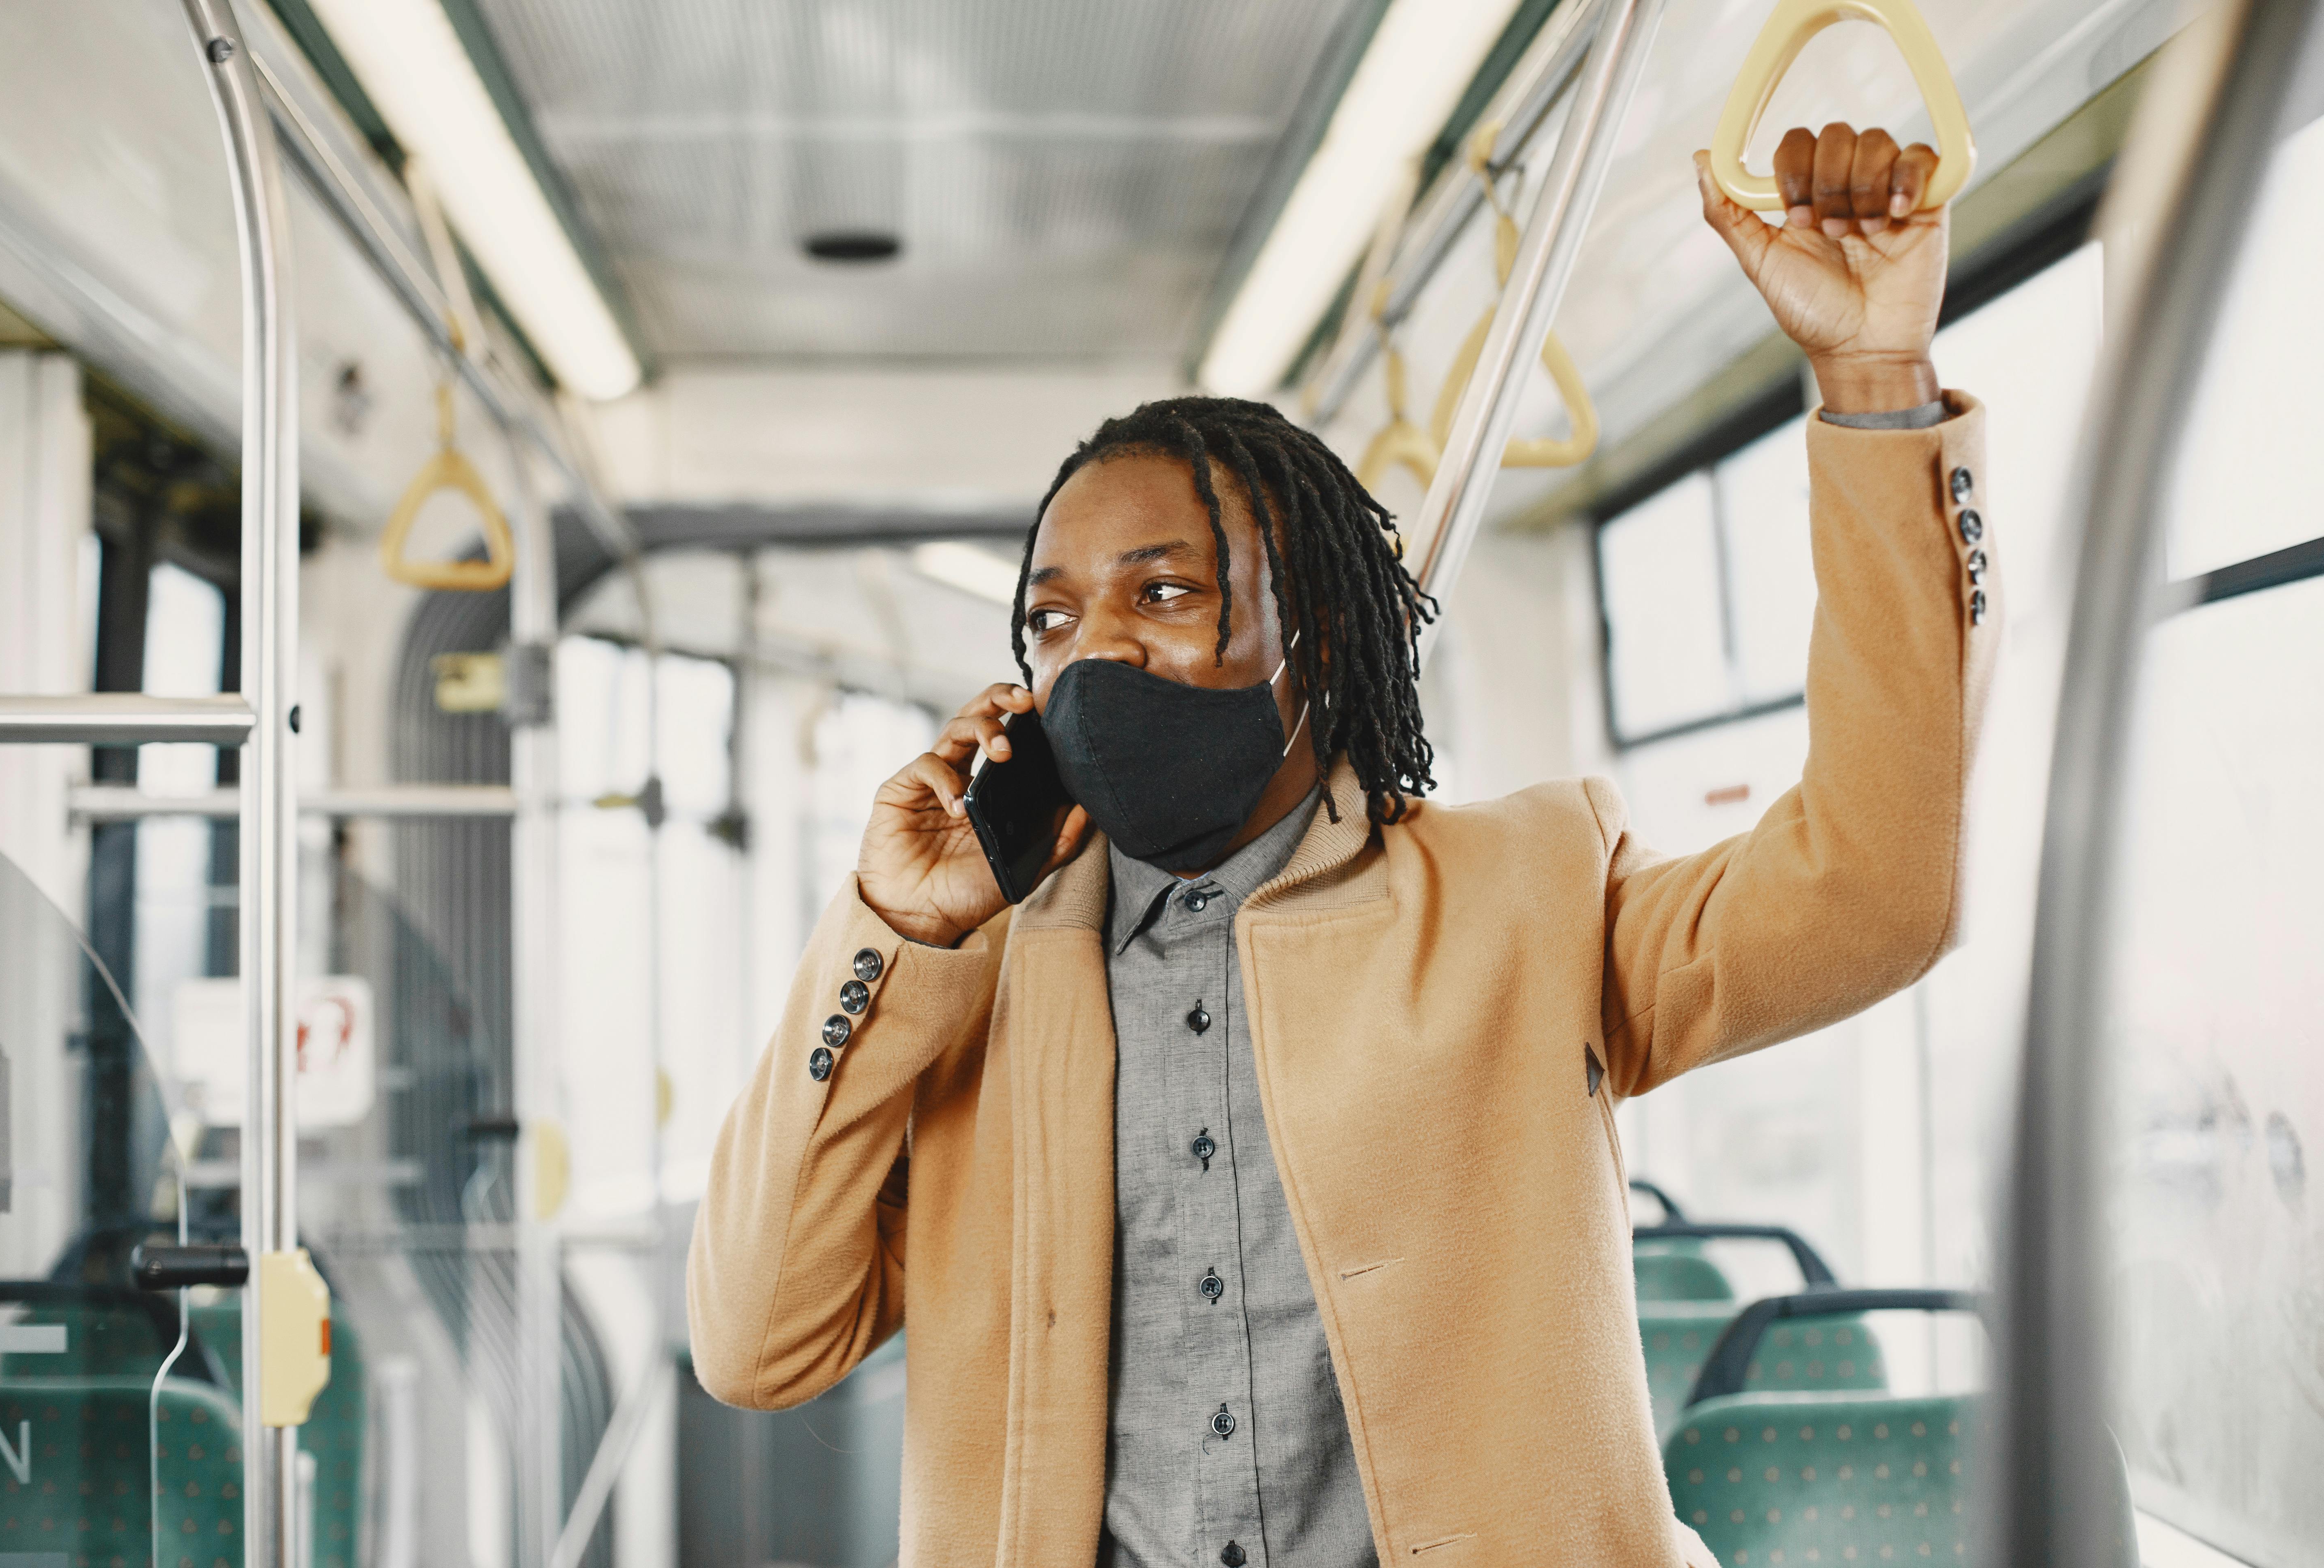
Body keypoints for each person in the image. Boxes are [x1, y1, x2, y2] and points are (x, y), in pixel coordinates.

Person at [690, 124, 1995, 1568]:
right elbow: (757, 1343)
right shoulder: (969, 980)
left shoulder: (1530, 897)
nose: (1091, 654)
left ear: (1307, 638)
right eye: (1052, 620)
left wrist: (1877, 388)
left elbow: (1880, 890)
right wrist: (899, 927)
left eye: (1164, 595)